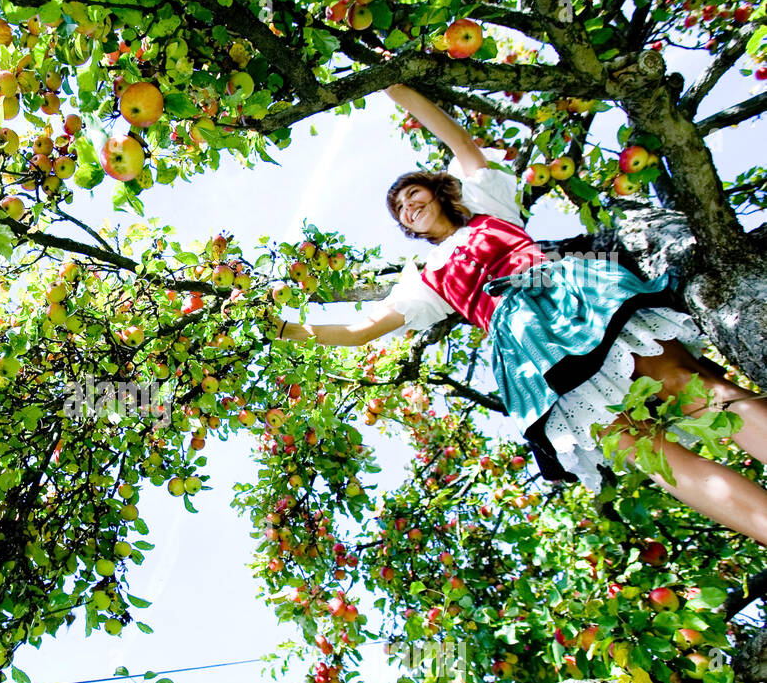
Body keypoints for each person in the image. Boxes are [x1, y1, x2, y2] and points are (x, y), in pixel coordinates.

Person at [273, 83, 767, 546]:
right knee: (640, 449)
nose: (408, 207)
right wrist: (284, 329)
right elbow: (362, 331)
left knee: (687, 384)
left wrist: (391, 84)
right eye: (399, 209)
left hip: (567, 298)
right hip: (524, 349)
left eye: (412, 195)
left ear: (437, 191)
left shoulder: (489, 205)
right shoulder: (422, 276)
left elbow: (458, 139)